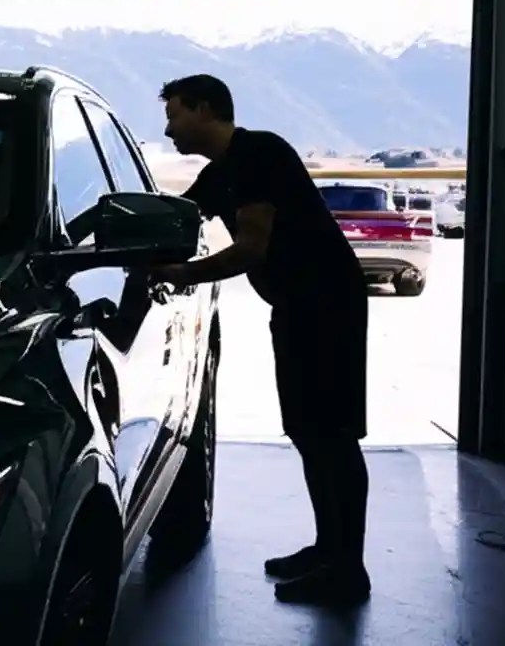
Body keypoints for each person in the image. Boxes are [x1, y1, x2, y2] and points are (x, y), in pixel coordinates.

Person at [148, 74, 372, 606]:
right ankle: (329, 549)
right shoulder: (221, 170)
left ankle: (349, 569)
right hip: (298, 306)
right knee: (307, 431)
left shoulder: (258, 155)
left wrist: (180, 273)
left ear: (205, 110)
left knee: (332, 436)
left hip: (327, 305)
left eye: (176, 114)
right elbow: (177, 216)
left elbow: (251, 248)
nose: (169, 126)